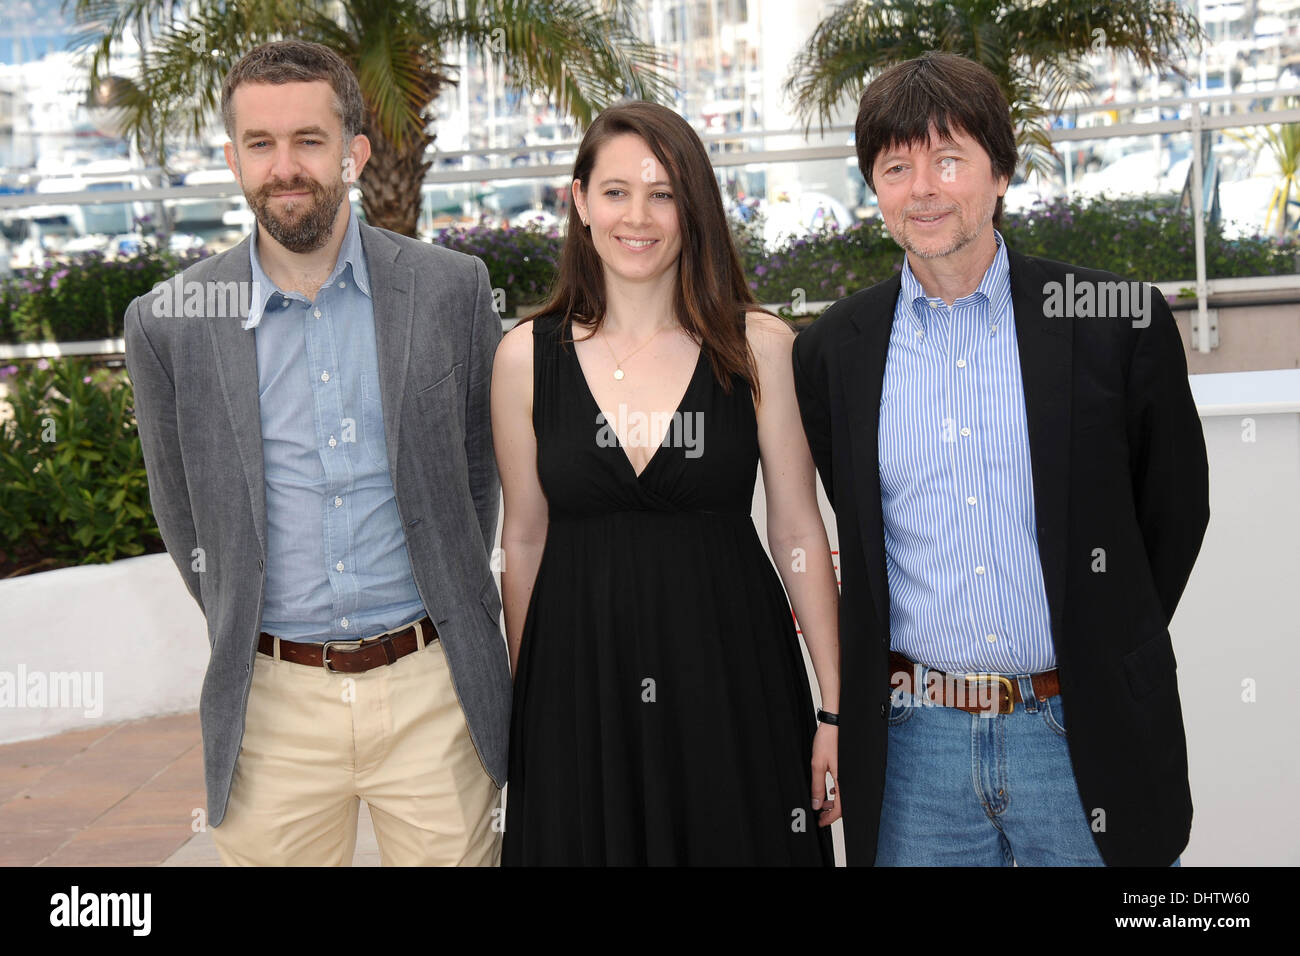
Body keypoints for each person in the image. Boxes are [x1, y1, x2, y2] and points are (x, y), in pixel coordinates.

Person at [792, 52, 1210, 867]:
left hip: (1074, 727)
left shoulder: (1113, 320)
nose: (924, 190)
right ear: (874, 187)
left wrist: (1102, 646)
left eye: (949, 160)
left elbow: (1173, 510)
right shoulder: (833, 351)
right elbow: (862, 532)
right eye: (897, 167)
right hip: (918, 749)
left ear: (1002, 171)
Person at [124, 40, 510, 865]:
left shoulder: (451, 290)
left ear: (354, 152)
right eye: (260, 145)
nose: (285, 166)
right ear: (233, 160)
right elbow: (182, 512)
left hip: (431, 692)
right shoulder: (170, 321)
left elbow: (479, 480)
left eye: (309, 140)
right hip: (270, 706)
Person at [492, 101, 840, 865]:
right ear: (580, 203)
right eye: (615, 191)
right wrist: (534, 702)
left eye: (663, 192)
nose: (637, 216)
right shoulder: (525, 356)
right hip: (580, 688)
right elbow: (523, 537)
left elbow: (797, 531)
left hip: (730, 678)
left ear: (694, 207)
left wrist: (834, 709)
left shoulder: (759, 347)